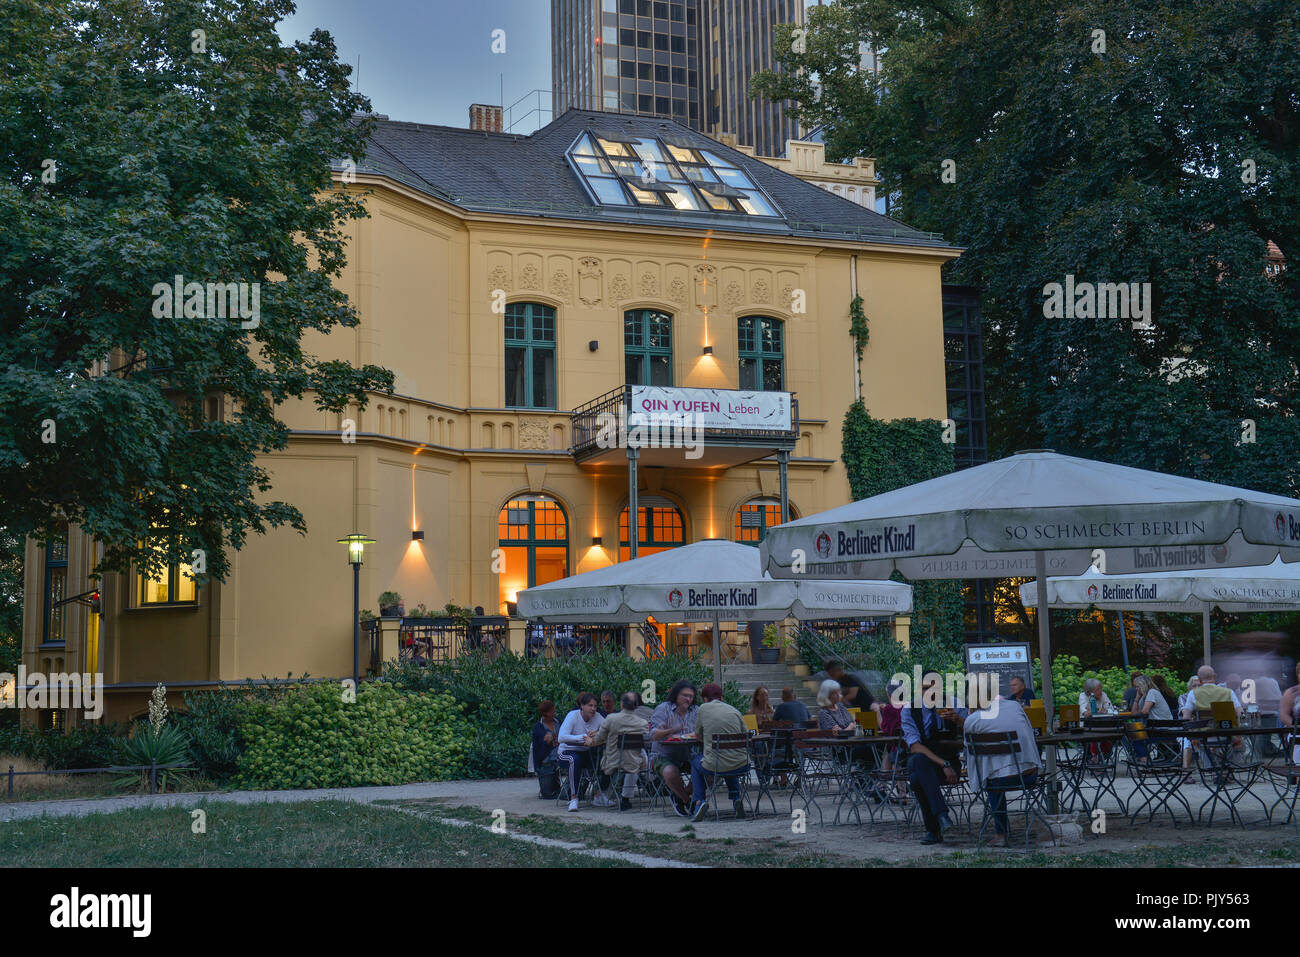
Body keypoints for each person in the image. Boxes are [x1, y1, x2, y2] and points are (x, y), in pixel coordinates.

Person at [901, 671, 968, 845]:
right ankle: (942, 815)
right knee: (917, 760)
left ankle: (934, 830)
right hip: (936, 762)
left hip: (950, 761)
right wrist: (943, 764)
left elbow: (975, 727)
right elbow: (915, 745)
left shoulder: (953, 703)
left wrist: (960, 720)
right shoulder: (909, 709)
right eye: (925, 688)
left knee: (916, 779)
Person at [963, 696, 1040, 847]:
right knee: (998, 774)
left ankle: (1001, 833)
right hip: (1028, 777)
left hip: (997, 782)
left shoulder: (972, 720)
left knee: (992, 779)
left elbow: (967, 746)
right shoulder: (1015, 706)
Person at [689, 683, 750, 820]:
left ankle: (699, 802)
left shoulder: (703, 708)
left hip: (716, 765)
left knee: (695, 762)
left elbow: (698, 735)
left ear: (704, 699)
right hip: (742, 764)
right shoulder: (735, 710)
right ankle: (736, 799)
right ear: (721, 697)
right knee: (728, 759)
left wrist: (710, 743)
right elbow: (745, 735)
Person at [589, 692, 650, 809]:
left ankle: (600, 794)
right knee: (633, 763)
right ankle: (625, 798)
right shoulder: (643, 723)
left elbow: (598, 739)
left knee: (606, 758)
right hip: (635, 762)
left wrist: (589, 741)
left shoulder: (611, 718)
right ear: (636, 706)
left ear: (621, 704)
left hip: (613, 761)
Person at [649, 679, 699, 816]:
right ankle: (686, 800)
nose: (688, 699)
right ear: (676, 694)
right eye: (685, 695)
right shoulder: (663, 709)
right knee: (670, 772)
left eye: (691, 696)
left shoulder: (696, 711)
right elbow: (653, 735)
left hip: (688, 754)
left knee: (711, 770)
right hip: (663, 755)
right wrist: (671, 730)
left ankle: (679, 795)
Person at [557, 692, 605, 812]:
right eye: (590, 705)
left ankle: (599, 795)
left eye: (595, 706)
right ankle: (574, 798)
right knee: (574, 759)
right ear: (582, 706)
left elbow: (609, 730)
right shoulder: (573, 716)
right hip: (566, 752)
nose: (593, 709)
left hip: (586, 752)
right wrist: (583, 737)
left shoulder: (598, 717)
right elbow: (561, 737)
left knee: (606, 758)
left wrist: (598, 734)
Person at [531, 700, 561, 795]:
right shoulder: (538, 727)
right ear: (545, 713)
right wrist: (548, 742)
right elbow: (538, 748)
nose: (554, 713)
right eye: (552, 711)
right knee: (548, 793)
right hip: (547, 759)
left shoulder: (558, 722)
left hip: (561, 753)